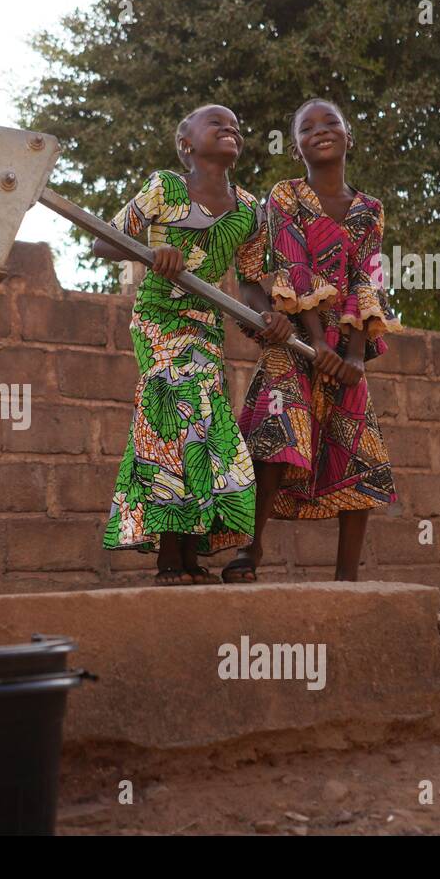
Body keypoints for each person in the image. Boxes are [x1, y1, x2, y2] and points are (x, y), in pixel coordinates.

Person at [94, 104, 293, 585]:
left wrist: (266, 314)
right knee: (172, 419)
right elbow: (104, 242)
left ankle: (189, 556)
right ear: (187, 144)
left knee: (205, 428)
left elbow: (248, 283)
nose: (231, 128)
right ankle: (168, 558)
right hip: (158, 318)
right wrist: (152, 252)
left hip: (205, 325)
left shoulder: (249, 208)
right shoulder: (165, 187)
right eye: (216, 123)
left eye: (236, 126)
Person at [225, 97, 401, 583]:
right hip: (294, 339)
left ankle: (347, 577)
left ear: (349, 136)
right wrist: (315, 342)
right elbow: (291, 262)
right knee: (276, 433)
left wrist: (355, 356)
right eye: (307, 127)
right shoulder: (285, 196)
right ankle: (250, 550)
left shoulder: (370, 210)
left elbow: (367, 279)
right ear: (297, 144)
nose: (320, 131)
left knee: (360, 449)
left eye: (331, 123)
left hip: (343, 348)